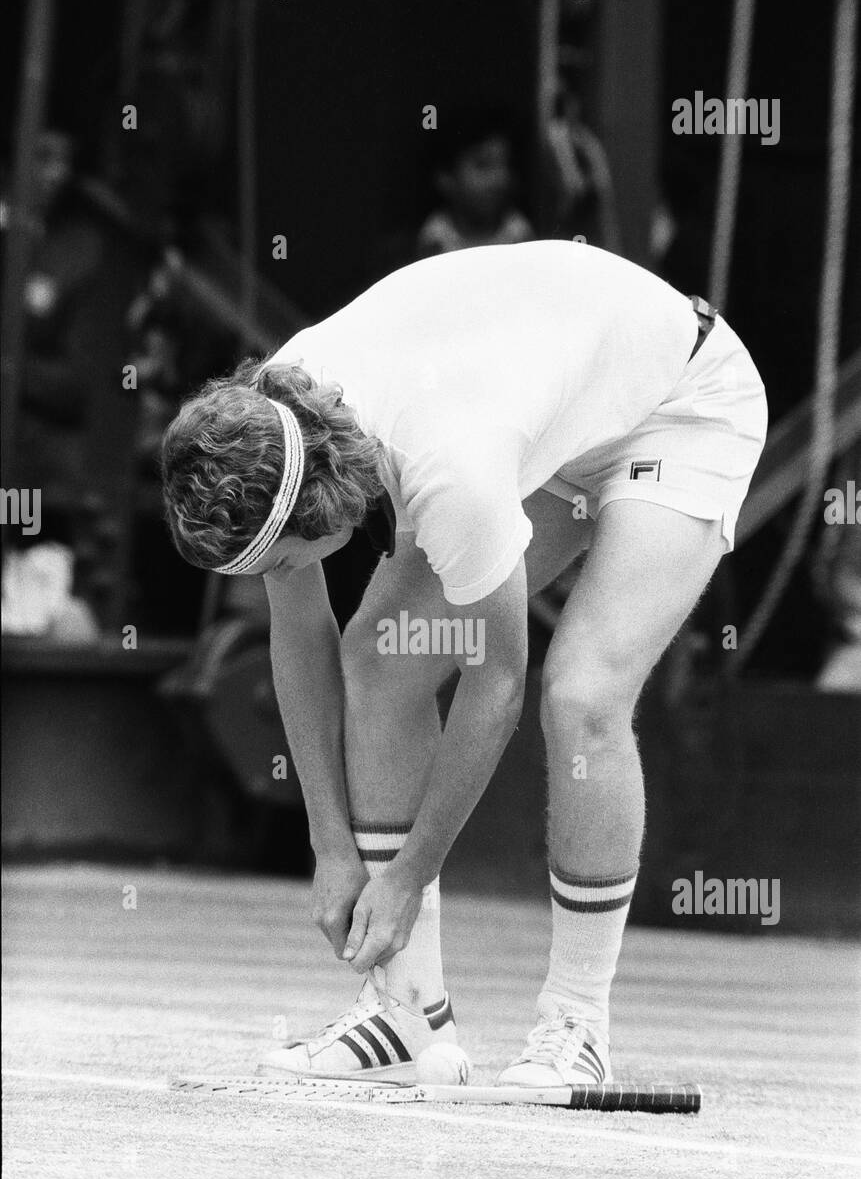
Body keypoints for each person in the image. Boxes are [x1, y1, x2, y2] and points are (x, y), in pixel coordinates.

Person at [161, 241, 767, 1087]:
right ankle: (406, 1014)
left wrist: (407, 878)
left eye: (283, 562)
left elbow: (497, 681)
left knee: (580, 695)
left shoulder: (453, 472)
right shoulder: (275, 418)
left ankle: (576, 1023)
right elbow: (303, 640)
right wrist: (328, 842)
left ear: (324, 510)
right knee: (380, 658)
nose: (278, 584)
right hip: (549, 409)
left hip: (678, 401)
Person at [416, 111, 533, 258]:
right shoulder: (435, 237)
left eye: (505, 164)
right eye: (483, 165)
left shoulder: (517, 232)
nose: (500, 178)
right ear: (445, 178)